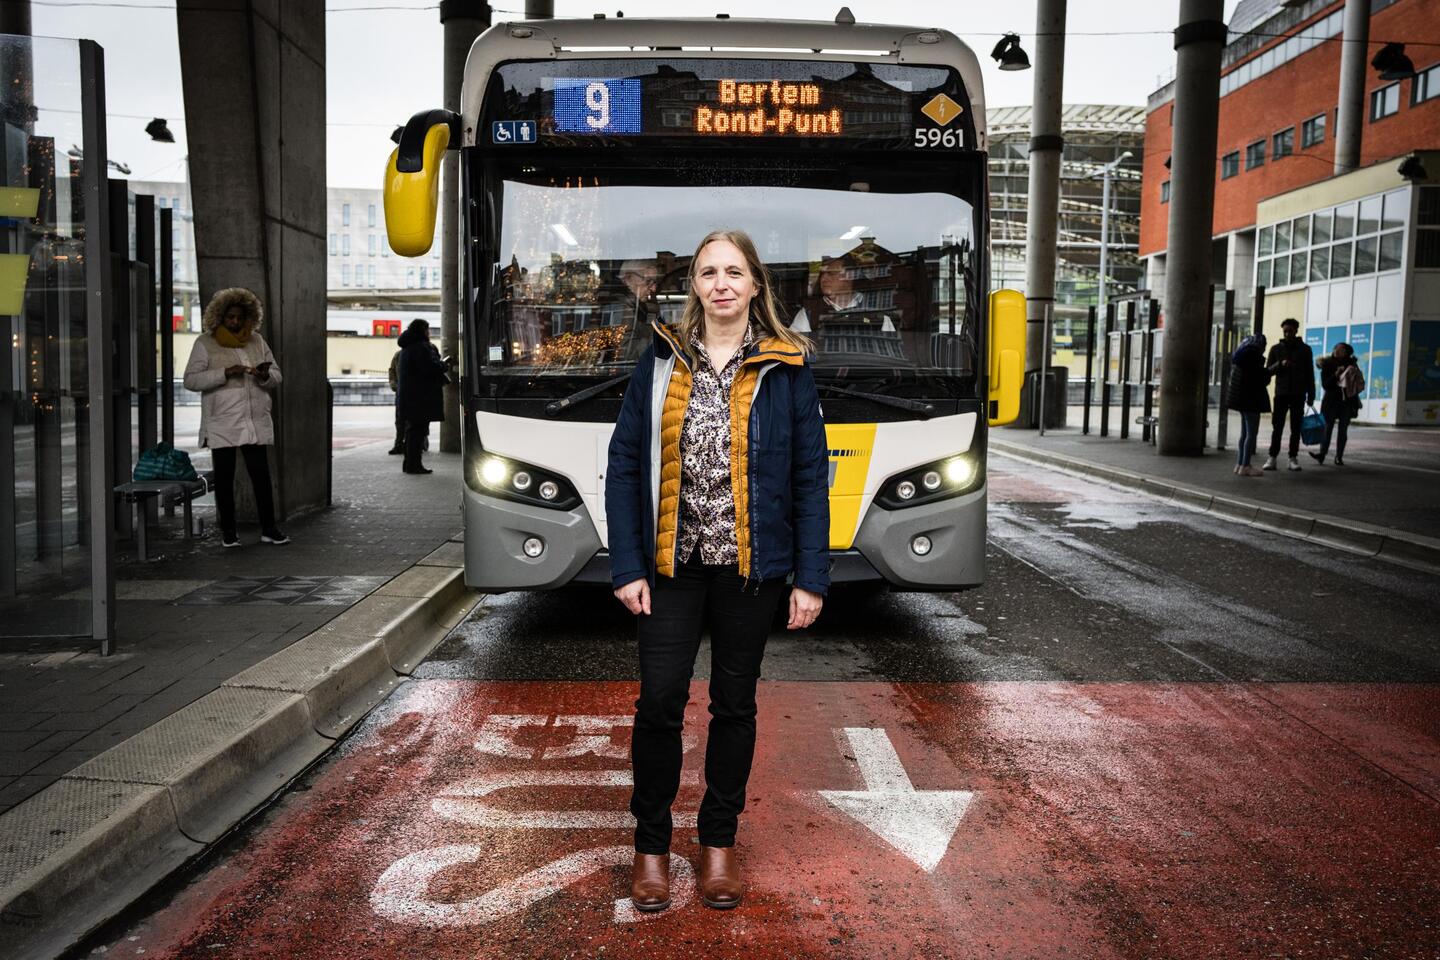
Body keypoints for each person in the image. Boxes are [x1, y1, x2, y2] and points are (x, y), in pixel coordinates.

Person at [605, 229, 828, 914]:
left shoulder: (787, 369)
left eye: (735, 272)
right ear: (694, 287)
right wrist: (627, 564)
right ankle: (650, 848)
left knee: (735, 706)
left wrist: (810, 578)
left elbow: (809, 478)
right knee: (660, 704)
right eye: (708, 272)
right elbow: (624, 463)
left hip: (751, 573)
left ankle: (718, 845)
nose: (722, 283)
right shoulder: (662, 362)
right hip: (671, 568)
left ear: (756, 285)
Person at [183, 287, 288, 547]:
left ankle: (269, 528)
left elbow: (277, 375)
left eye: (240, 317)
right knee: (225, 478)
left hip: (254, 420)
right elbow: (190, 380)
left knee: (261, 477)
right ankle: (229, 533)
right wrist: (225, 373)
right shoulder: (205, 343)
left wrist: (264, 375)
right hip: (223, 421)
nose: (235, 322)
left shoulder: (257, 341)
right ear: (219, 316)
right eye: (230, 317)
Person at [395, 319, 448, 475]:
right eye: (427, 329)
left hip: (410, 396)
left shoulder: (407, 347)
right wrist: (444, 365)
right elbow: (430, 368)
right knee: (418, 432)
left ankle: (409, 464)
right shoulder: (421, 348)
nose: (429, 333)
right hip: (420, 397)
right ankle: (414, 465)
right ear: (423, 330)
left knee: (412, 431)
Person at [1263, 317, 1315, 472]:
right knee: (1277, 427)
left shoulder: (1305, 350)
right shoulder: (1275, 349)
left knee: (1295, 428)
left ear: (1296, 331)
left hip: (1298, 394)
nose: (1287, 334)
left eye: (1290, 331)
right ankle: (1272, 457)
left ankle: (1292, 458)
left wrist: (1311, 395)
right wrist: (1280, 364)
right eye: (1285, 331)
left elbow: (1309, 373)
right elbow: (1267, 372)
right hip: (1281, 393)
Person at [1312, 342, 1363, 466]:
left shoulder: (1351, 364)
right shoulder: (1327, 363)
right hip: (1331, 400)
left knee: (1343, 430)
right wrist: (1336, 375)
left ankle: (1339, 457)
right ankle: (1322, 454)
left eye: (1342, 349)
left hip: (1347, 401)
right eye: (1336, 348)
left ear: (1346, 352)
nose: (1338, 350)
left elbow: (1358, 381)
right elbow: (1326, 385)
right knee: (1327, 428)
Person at [1227, 332, 1270, 477]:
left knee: (1244, 434)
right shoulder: (1253, 358)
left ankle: (1239, 464)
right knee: (1251, 434)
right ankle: (1245, 465)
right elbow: (1262, 379)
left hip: (1242, 401)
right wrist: (1273, 369)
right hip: (1251, 401)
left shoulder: (1242, 357)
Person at [387, 343, 404, 455]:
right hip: (402, 391)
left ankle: (420, 443)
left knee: (404, 420)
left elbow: (392, 370)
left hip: (402, 392)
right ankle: (399, 444)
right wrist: (394, 384)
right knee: (400, 420)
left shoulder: (399, 355)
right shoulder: (398, 355)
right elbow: (392, 370)